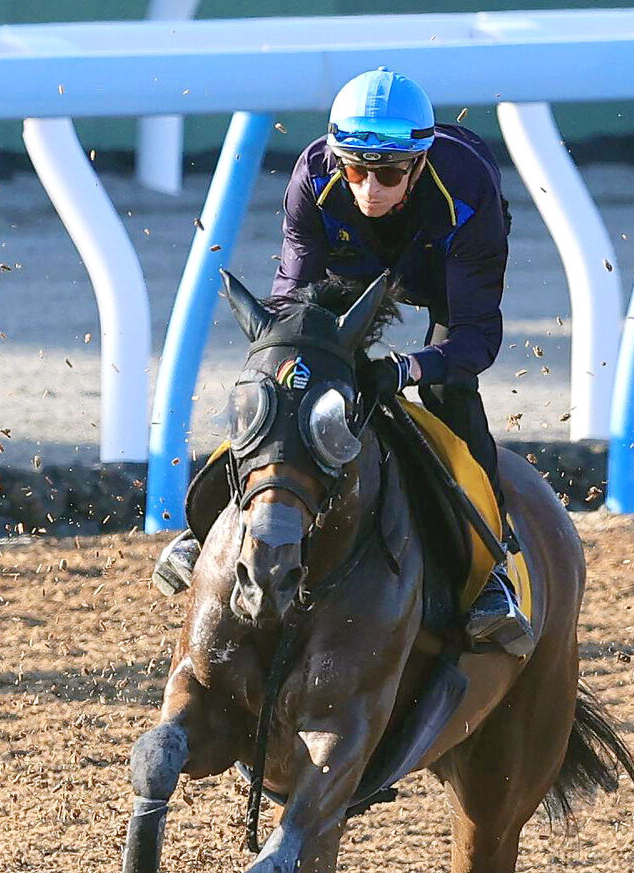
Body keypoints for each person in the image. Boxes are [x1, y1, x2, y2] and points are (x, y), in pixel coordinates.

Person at [155, 68, 531, 655]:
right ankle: (211, 522)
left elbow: (477, 337)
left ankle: (495, 568)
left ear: (420, 161)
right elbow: (290, 297)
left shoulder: (466, 185)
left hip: (440, 275)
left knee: (447, 393)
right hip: (349, 276)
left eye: (387, 172)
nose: (370, 189)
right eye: (356, 169)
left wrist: (406, 369)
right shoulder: (312, 176)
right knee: (287, 380)